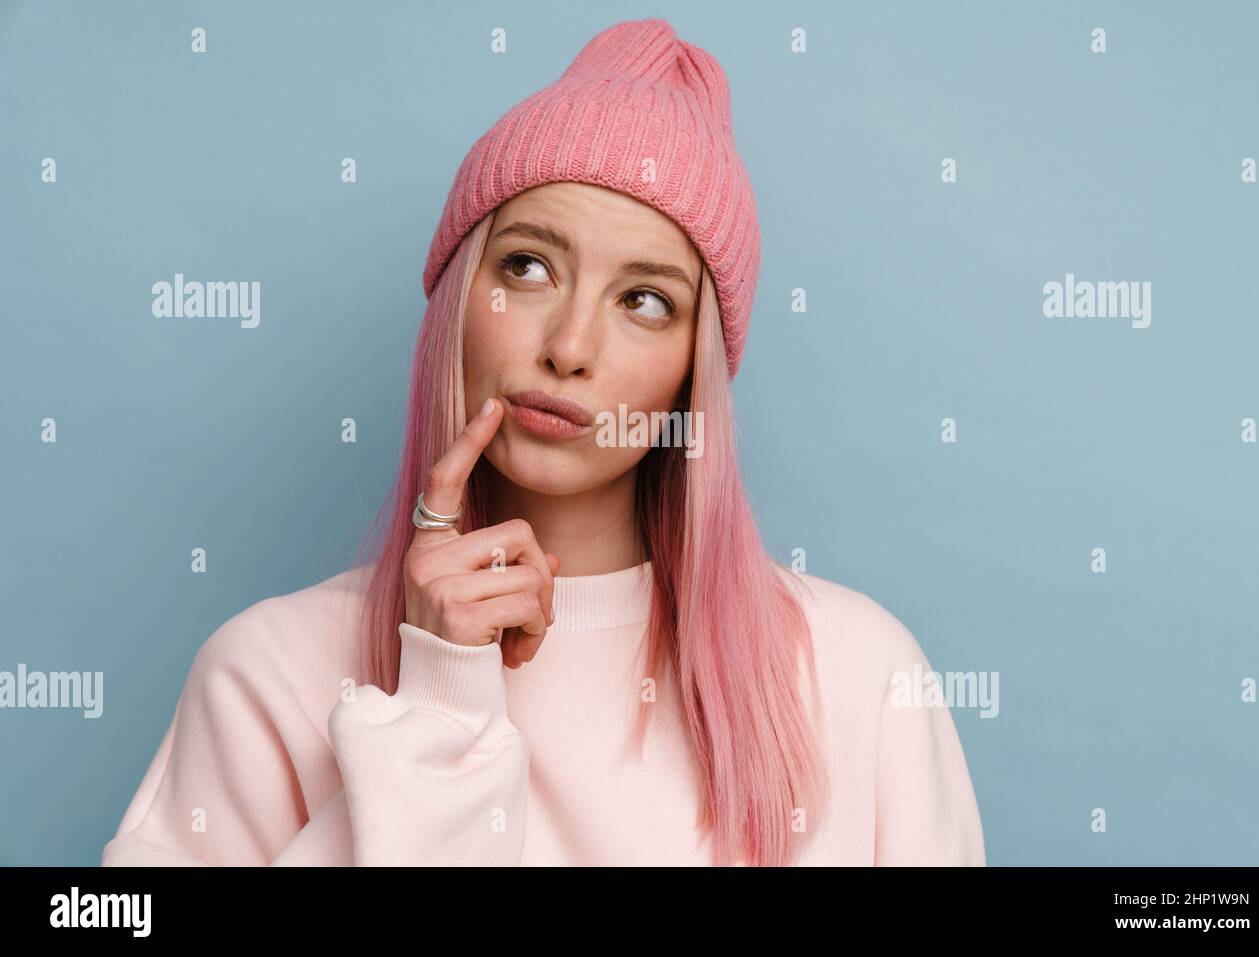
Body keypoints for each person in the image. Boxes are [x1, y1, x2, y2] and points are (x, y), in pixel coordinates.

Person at [101, 17, 985, 867]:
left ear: (693, 368)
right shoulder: (266, 670)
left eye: (645, 300)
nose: (568, 347)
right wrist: (440, 708)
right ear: (458, 297)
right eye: (527, 266)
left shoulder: (857, 672)